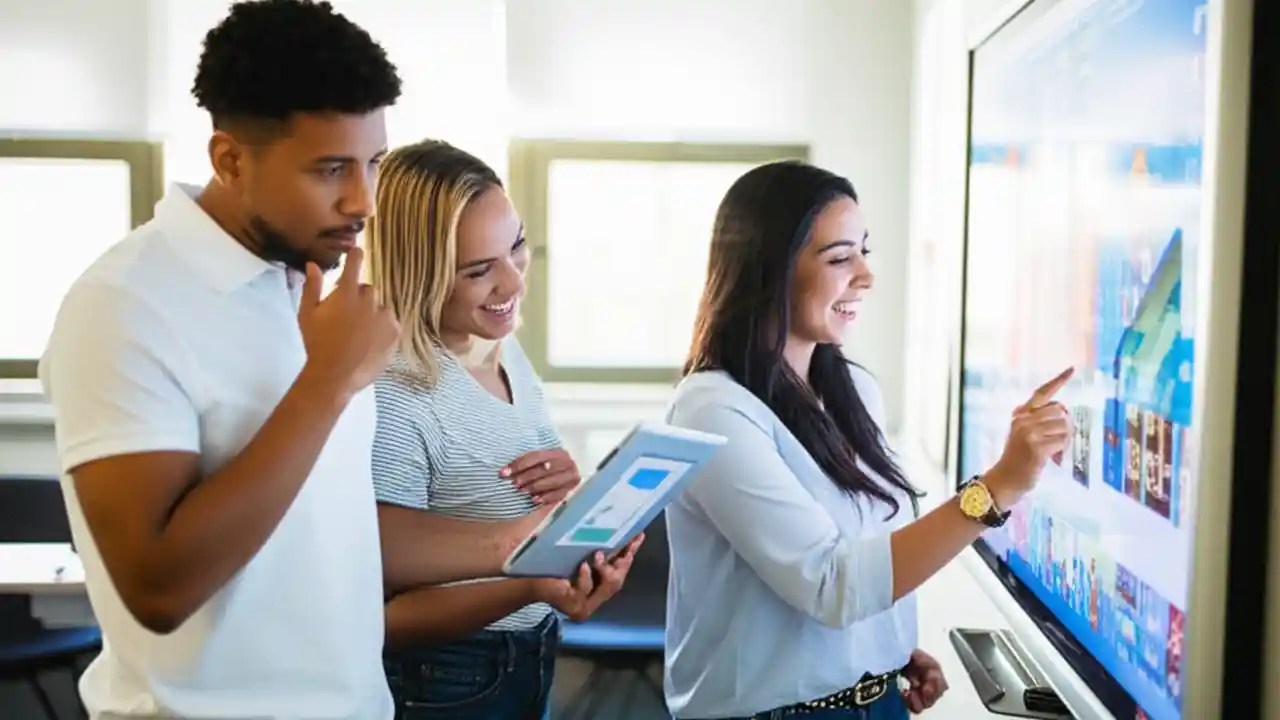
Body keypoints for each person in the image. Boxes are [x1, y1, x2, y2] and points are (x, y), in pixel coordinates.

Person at [38, 3, 546, 717]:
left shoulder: (303, 287)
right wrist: (327, 384)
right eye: (330, 168)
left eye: (371, 163)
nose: (363, 199)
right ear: (229, 160)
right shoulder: (125, 304)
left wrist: (528, 550)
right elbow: (157, 588)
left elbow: (337, 535)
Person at [662, 160, 1073, 720]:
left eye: (864, 251)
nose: (866, 276)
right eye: (839, 258)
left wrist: (881, 653)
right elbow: (831, 582)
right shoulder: (713, 409)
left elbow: (867, 550)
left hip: (873, 703)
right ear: (769, 271)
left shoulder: (852, 388)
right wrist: (998, 487)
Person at [365, 138, 644, 719]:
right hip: (446, 677)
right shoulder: (395, 391)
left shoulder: (505, 351)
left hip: (530, 651)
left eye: (517, 247)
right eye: (478, 270)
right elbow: (380, 618)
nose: (513, 283)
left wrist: (567, 494)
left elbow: (499, 500)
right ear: (420, 271)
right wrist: (530, 585)